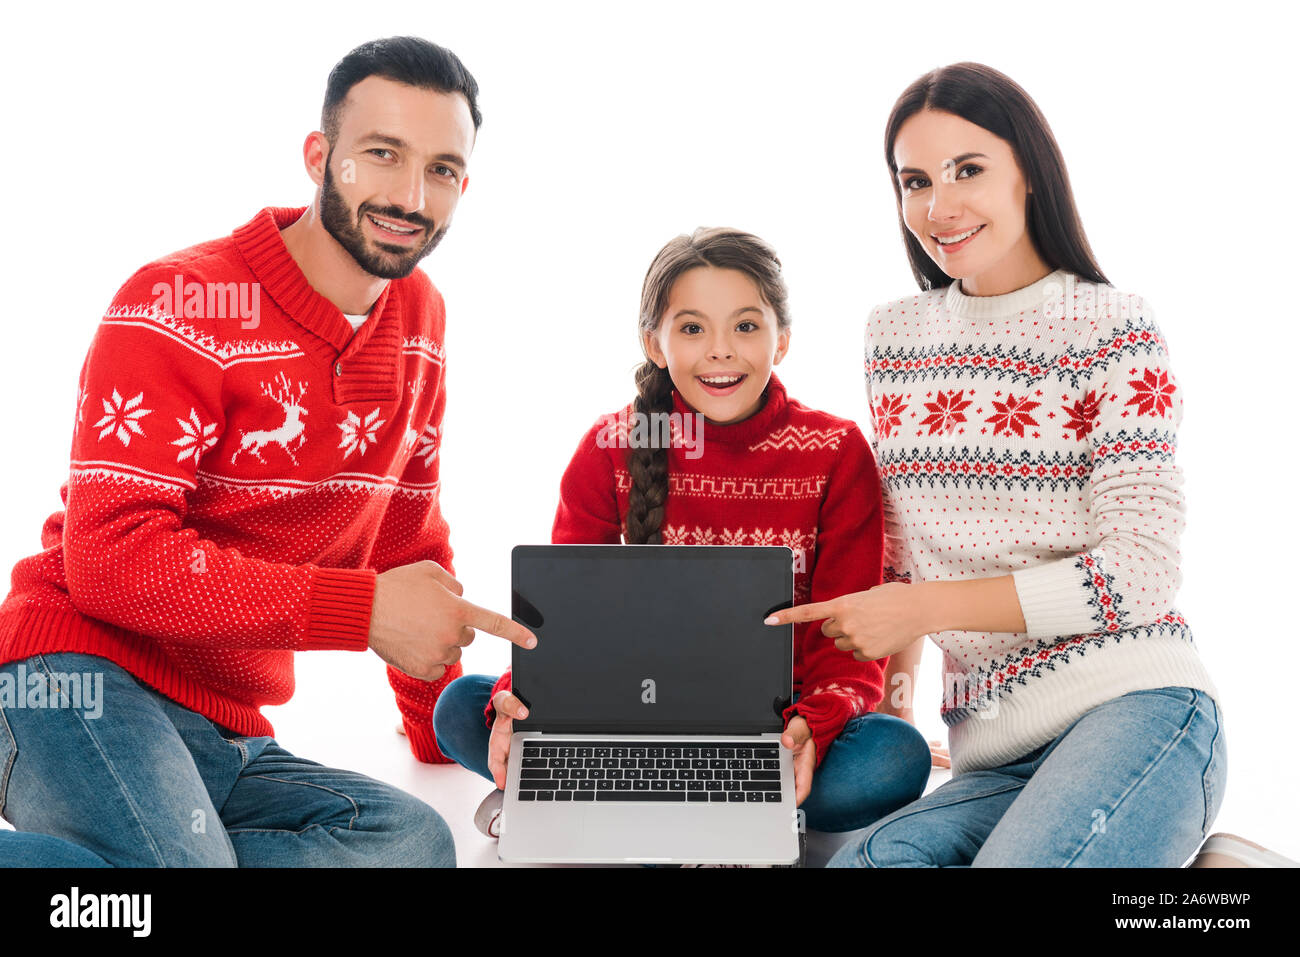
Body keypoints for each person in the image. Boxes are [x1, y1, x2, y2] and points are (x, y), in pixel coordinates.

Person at [0, 36, 534, 868]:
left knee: (414, 842)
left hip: (222, 730)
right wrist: (358, 612)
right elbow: (107, 558)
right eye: (381, 156)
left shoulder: (421, 319)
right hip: (72, 682)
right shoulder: (175, 301)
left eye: (442, 168)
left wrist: (444, 724)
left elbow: (404, 539)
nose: (409, 194)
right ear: (321, 157)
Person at [765, 62, 1226, 867]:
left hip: (1134, 704)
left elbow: (1141, 573)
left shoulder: (1113, 328)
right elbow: (903, 569)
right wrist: (895, 728)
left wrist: (921, 609)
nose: (938, 208)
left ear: (1030, 173)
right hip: (994, 752)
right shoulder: (895, 338)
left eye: (966, 170)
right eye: (914, 181)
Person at [434, 227, 934, 843]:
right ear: (655, 342)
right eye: (693, 328)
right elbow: (560, 622)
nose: (721, 351)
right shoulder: (610, 446)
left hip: (778, 726)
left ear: (783, 341)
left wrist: (817, 723)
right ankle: (695, 812)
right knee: (461, 709)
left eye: (746, 326)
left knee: (894, 756)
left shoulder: (836, 450)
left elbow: (850, 634)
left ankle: (632, 810)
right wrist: (514, 704)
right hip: (629, 717)